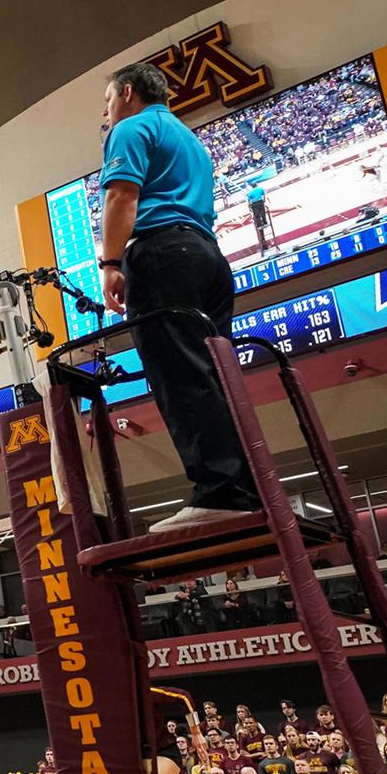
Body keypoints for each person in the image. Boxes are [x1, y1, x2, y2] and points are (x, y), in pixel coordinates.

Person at [94, 62, 258, 530]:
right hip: (208, 256)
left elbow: (121, 196)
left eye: (107, 101)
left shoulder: (132, 127)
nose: (106, 113)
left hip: (165, 255)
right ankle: (243, 490)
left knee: (180, 376)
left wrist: (110, 263)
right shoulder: (188, 138)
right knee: (213, 377)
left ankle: (221, 492)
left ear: (127, 93)